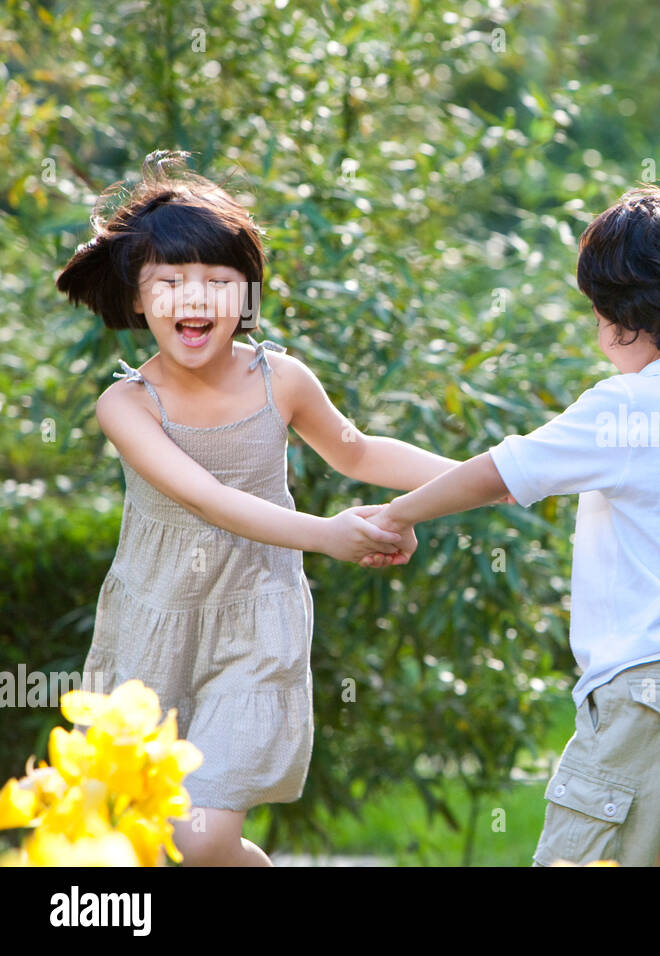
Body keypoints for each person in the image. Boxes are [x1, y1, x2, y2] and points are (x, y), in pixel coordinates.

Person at [55, 150, 470, 866]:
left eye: (218, 283)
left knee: (203, 835)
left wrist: (491, 476)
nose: (195, 299)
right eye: (170, 283)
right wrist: (330, 536)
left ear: (246, 297)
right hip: (153, 621)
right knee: (145, 841)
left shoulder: (281, 379)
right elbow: (211, 500)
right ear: (135, 298)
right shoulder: (127, 405)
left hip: (256, 617)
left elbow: (359, 453)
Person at [365, 183, 660, 866]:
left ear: (630, 314)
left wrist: (394, 516)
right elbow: (511, 475)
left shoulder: (630, 405)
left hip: (651, 688)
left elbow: (501, 474)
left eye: (598, 311)